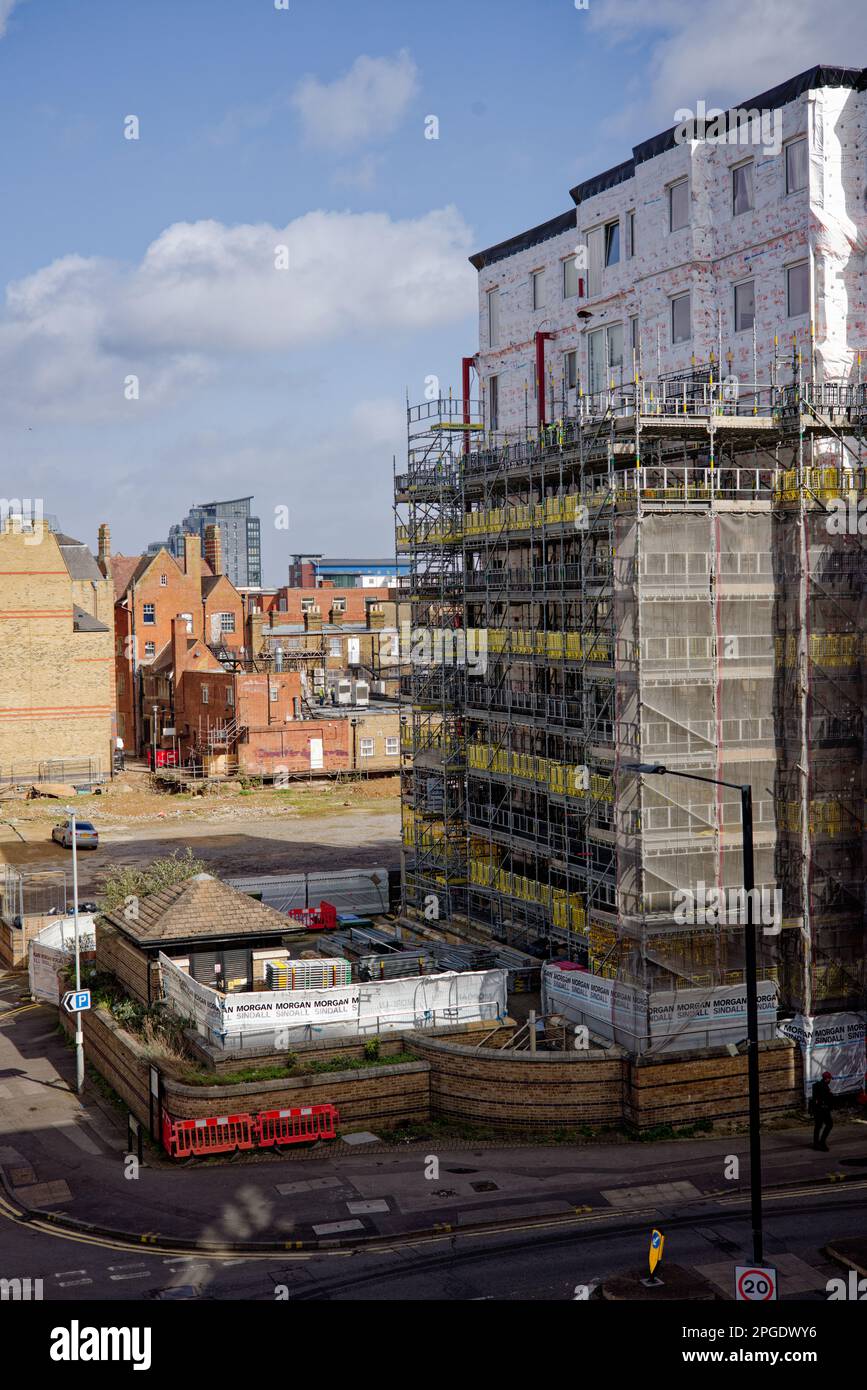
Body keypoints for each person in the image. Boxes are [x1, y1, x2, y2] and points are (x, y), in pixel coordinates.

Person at [810, 1071, 834, 1151]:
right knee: (829, 1124)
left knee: (818, 1126)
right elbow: (827, 1098)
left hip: (817, 1109)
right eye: (830, 1079)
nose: (830, 1080)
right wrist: (830, 1095)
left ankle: (816, 1143)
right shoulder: (824, 1087)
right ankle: (821, 1142)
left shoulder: (816, 1085)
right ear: (827, 1079)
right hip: (823, 1109)